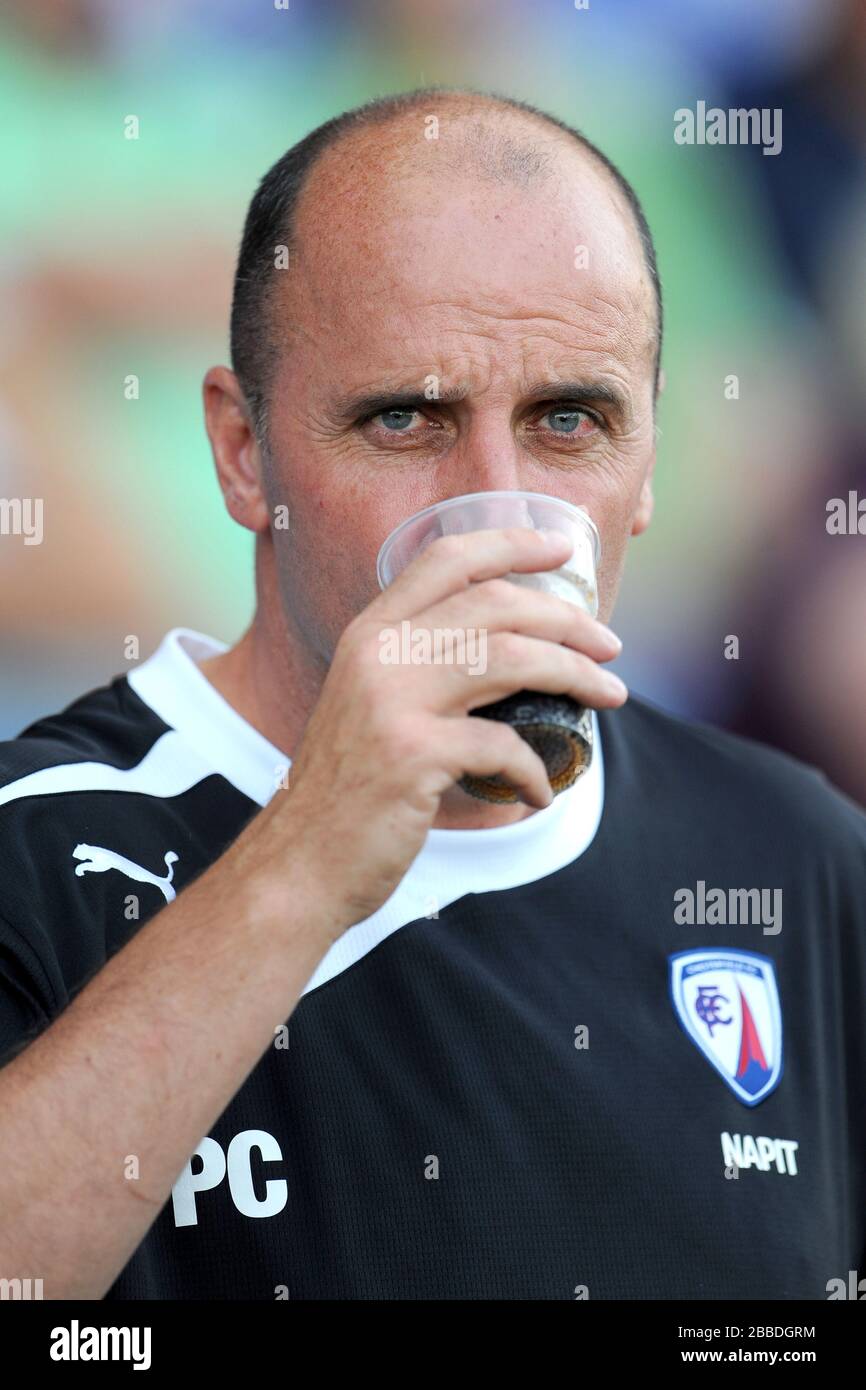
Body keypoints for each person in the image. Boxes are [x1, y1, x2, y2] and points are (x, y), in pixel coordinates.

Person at [1, 87, 863, 1301]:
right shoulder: (37, 845)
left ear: (648, 463)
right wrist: (308, 852)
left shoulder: (799, 858)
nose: (502, 514)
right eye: (403, 418)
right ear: (244, 454)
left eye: (570, 419)